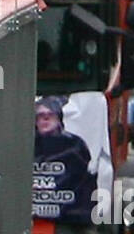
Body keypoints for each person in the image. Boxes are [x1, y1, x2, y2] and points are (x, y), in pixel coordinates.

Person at [32, 96, 97, 224]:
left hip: (72, 217)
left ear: (59, 118)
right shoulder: (24, 143)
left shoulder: (75, 145)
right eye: (40, 115)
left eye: (50, 114)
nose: (45, 118)